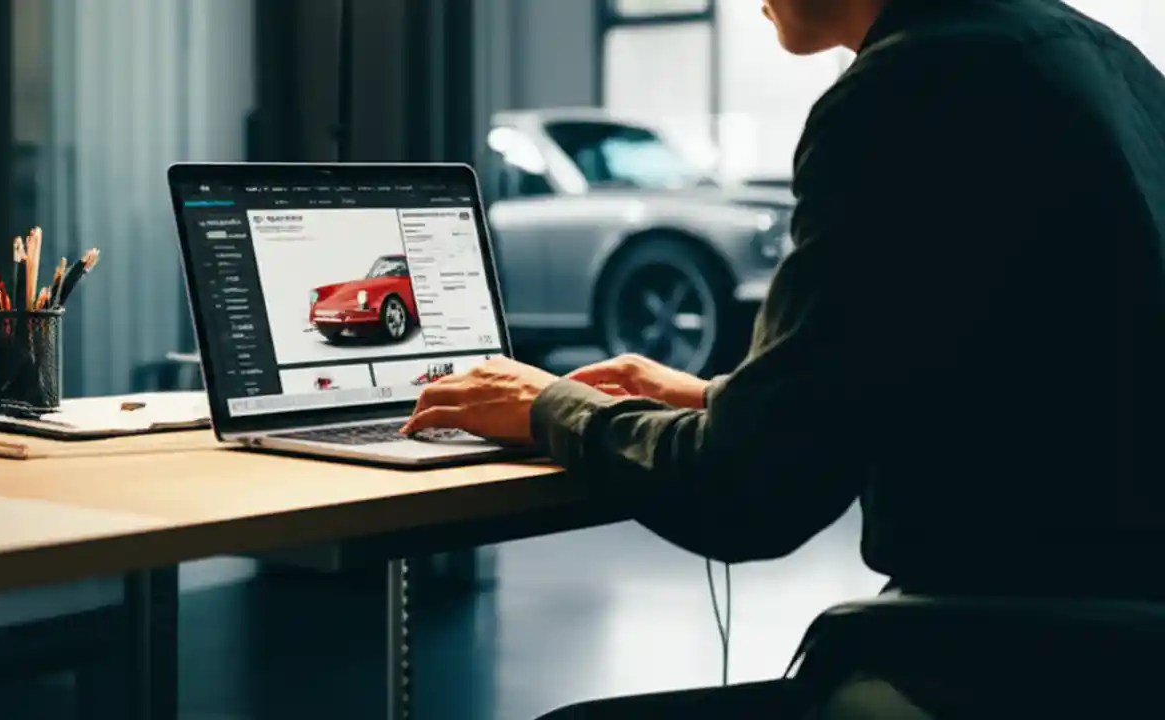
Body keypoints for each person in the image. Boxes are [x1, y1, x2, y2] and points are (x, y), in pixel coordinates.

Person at [404, 0, 1165, 715]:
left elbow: (751, 495)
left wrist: (548, 407)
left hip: (1011, 661)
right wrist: (724, 399)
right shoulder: (1106, 63)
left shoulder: (906, 91)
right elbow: (1006, 369)